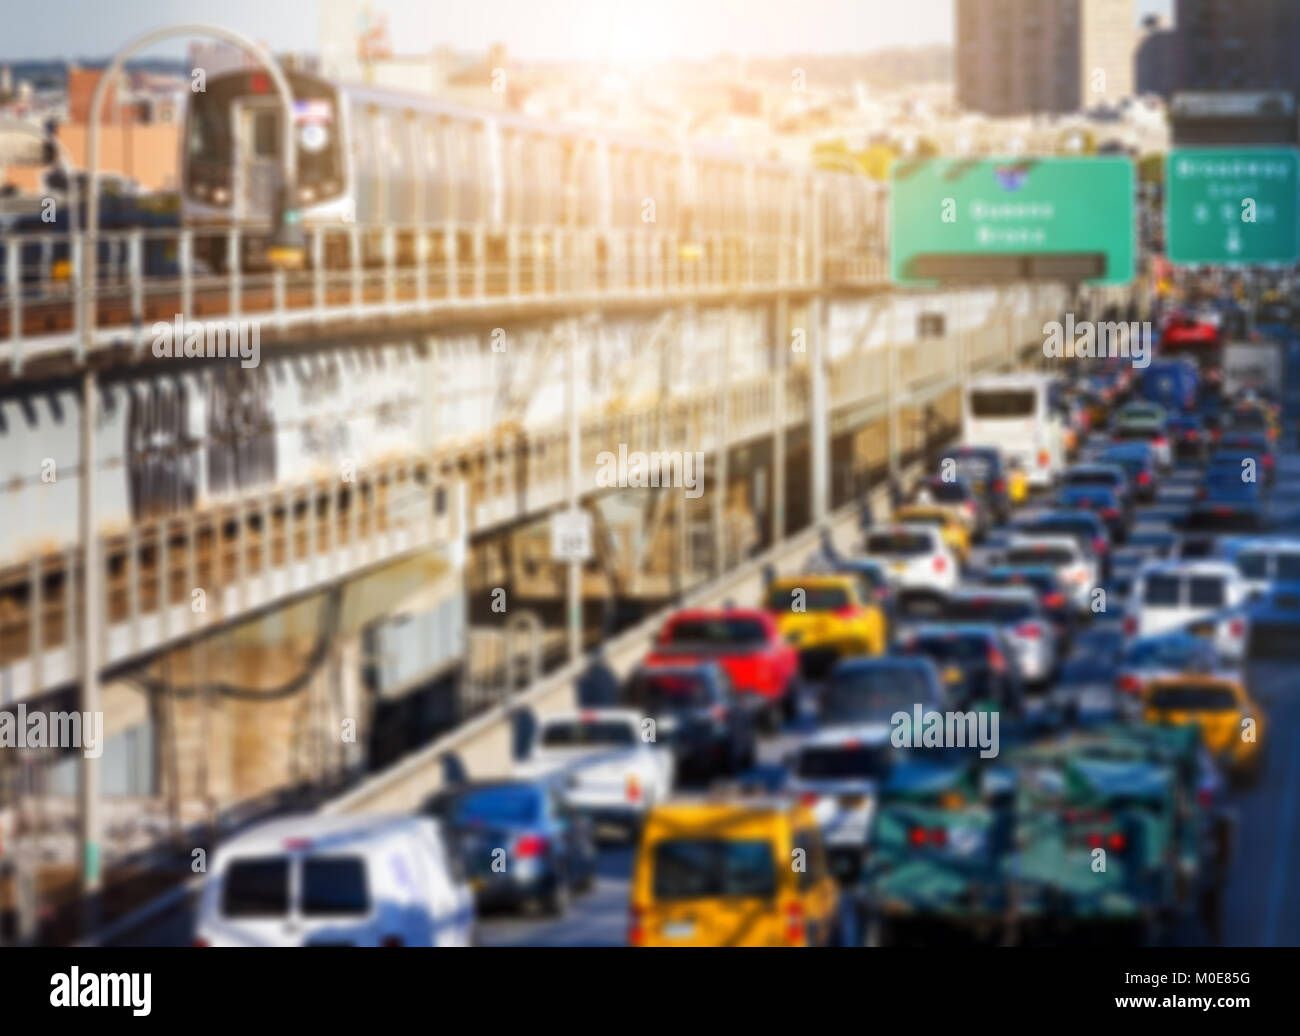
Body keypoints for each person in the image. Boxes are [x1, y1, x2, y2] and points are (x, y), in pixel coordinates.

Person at [575, 643, 620, 708]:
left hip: (600, 711)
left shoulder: (589, 679)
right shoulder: (608, 675)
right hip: (609, 711)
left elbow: (584, 703)